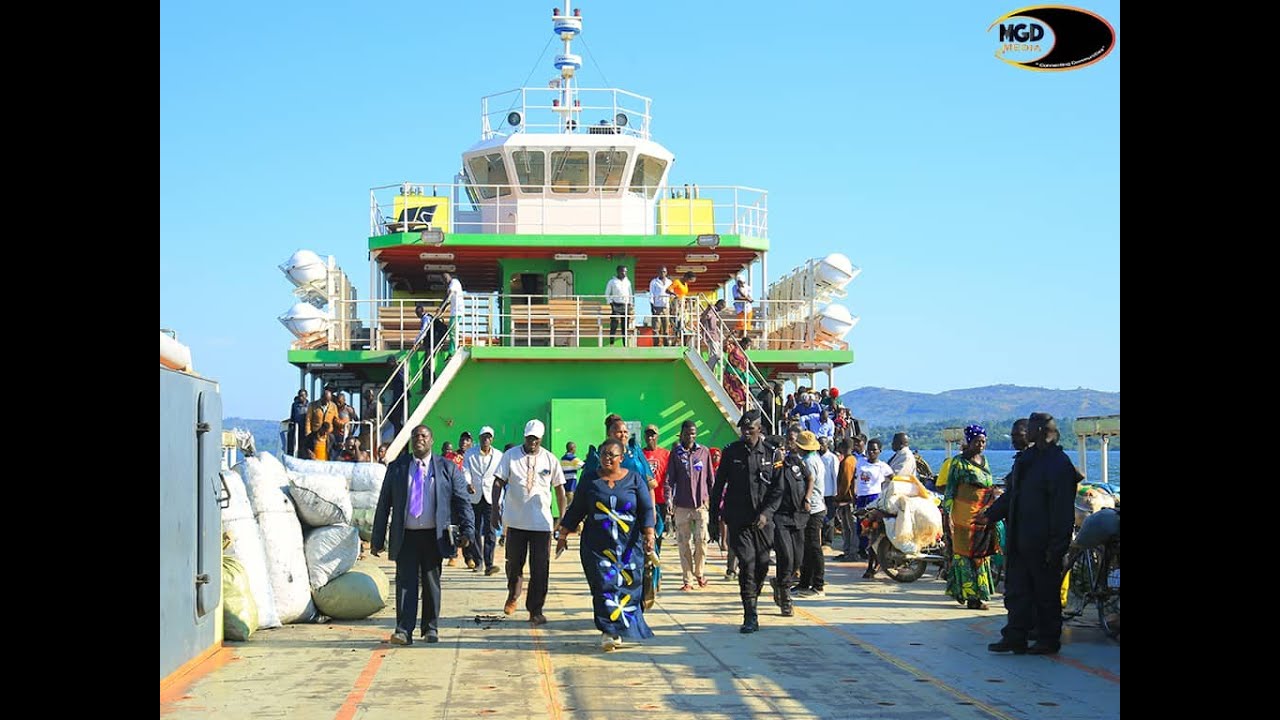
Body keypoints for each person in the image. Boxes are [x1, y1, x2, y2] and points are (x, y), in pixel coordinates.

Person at [979, 413, 1078, 655]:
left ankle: (1047, 639)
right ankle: (1015, 636)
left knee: (1046, 594)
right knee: (1017, 591)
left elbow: (1063, 509)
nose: (1027, 433)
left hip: (1044, 542)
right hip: (1020, 539)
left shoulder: (1059, 463)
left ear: (1042, 431)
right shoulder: (1027, 460)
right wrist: (990, 514)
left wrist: (1057, 546)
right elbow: (1012, 495)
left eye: (1031, 429)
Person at [371, 425, 475, 645]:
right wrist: (377, 539)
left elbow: (462, 500)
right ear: (411, 440)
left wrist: (468, 530)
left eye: (424, 436)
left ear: (431, 440)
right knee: (405, 583)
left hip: (434, 536)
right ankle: (403, 630)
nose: (419, 439)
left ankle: (430, 628)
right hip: (406, 535)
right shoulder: (398, 468)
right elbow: (384, 504)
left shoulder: (447, 468)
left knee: (431, 583)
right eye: (416, 436)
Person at [556, 438, 657, 651]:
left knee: (628, 586)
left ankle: (622, 628)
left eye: (611, 455)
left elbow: (646, 509)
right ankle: (608, 631)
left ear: (621, 458)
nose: (607, 458)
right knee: (603, 586)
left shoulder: (635, 480)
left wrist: (649, 534)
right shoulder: (590, 480)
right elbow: (577, 509)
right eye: (603, 454)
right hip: (597, 548)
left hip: (628, 548)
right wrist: (563, 534)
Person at [709, 410, 784, 633]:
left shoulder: (773, 455)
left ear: (759, 429)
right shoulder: (731, 452)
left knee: (762, 564)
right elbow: (718, 486)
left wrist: (767, 513)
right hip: (738, 519)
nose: (746, 433)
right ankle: (750, 614)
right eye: (743, 429)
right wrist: (714, 519)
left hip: (763, 522)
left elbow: (778, 489)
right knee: (747, 563)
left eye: (750, 429)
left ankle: (753, 597)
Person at [491, 419, 567, 626]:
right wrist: (494, 507)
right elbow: (498, 481)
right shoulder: (511, 456)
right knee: (514, 564)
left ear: (541, 438)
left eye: (536, 438)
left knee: (540, 568)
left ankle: (536, 609)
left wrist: (562, 517)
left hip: (541, 524)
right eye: (529, 437)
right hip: (515, 522)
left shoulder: (550, 460)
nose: (532, 441)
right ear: (524, 436)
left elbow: (560, 489)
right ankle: (513, 595)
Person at [943, 425, 998, 610]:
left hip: (983, 516)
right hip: (963, 516)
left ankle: (979, 592)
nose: (981, 445)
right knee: (965, 556)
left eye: (983, 442)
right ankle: (971, 597)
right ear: (969, 442)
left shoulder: (984, 460)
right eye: (977, 442)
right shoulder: (958, 463)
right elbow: (950, 490)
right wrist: (947, 515)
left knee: (981, 555)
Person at [665, 420, 713, 591]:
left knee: (701, 540)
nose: (690, 436)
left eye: (693, 433)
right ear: (681, 434)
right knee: (684, 542)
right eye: (687, 433)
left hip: (701, 504)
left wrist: (711, 502)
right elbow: (670, 479)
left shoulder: (704, 452)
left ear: (696, 434)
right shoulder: (676, 454)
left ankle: (699, 573)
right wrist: (669, 499)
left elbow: (710, 479)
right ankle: (688, 580)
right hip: (682, 505)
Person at [770, 425, 812, 617]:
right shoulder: (776, 465)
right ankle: (786, 598)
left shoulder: (798, 462)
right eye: (788, 440)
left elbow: (809, 478)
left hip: (798, 517)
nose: (790, 444)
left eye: (793, 440)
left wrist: (807, 498)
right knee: (785, 556)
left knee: (798, 558)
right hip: (780, 516)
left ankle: (779, 582)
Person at [792, 431, 828, 599]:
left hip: (813, 509)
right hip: (813, 507)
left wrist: (805, 499)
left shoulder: (808, 462)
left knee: (814, 548)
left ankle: (818, 585)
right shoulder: (815, 460)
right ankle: (804, 583)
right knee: (806, 548)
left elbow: (810, 482)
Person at [463, 426, 502, 576]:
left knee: (491, 530)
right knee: (474, 530)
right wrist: (468, 483)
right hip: (474, 496)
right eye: (483, 437)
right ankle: (478, 561)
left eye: (489, 437)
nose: (486, 439)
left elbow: (501, 474)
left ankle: (489, 563)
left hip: (491, 496)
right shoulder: (470, 453)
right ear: (479, 439)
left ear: (492, 439)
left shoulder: (499, 455)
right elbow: (465, 470)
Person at [855, 438, 894, 576]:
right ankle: (870, 558)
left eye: (874, 450)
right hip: (861, 498)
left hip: (874, 498)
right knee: (862, 530)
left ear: (879, 451)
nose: (871, 452)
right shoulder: (860, 462)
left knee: (873, 532)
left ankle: (873, 565)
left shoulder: (882, 466)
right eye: (869, 449)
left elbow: (893, 478)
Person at [641, 424, 671, 555]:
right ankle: (647, 562)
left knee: (658, 532)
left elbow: (669, 477)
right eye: (647, 435)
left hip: (661, 500)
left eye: (652, 434)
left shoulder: (665, 454)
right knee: (646, 532)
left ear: (657, 436)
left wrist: (670, 498)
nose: (650, 437)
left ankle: (656, 559)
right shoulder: (640, 454)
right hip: (645, 500)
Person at [832, 438, 861, 561]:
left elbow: (845, 482)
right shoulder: (852, 460)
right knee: (846, 527)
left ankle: (853, 552)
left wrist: (838, 497)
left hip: (847, 499)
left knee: (851, 527)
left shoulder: (848, 462)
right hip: (846, 498)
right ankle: (847, 550)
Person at [605, 265, 633, 346]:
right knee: (614, 324)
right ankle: (611, 343)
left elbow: (630, 294)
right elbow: (607, 294)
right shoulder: (612, 281)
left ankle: (625, 344)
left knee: (625, 326)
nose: (625, 273)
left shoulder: (628, 282)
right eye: (623, 271)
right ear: (618, 271)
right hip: (616, 305)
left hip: (625, 305)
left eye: (626, 271)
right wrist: (611, 303)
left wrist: (630, 304)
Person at [648, 267, 672, 346]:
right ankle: (656, 345)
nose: (662, 273)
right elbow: (651, 294)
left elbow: (672, 294)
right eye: (661, 272)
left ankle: (666, 345)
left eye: (664, 272)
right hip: (656, 307)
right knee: (656, 328)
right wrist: (652, 306)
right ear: (658, 272)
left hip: (666, 307)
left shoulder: (669, 282)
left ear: (666, 272)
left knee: (666, 328)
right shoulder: (654, 282)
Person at [287, 390, 308, 456]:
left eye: (302, 395)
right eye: (299, 395)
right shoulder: (294, 405)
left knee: (304, 445)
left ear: (306, 396)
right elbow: (292, 416)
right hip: (297, 428)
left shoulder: (309, 405)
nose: (300, 397)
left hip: (305, 428)